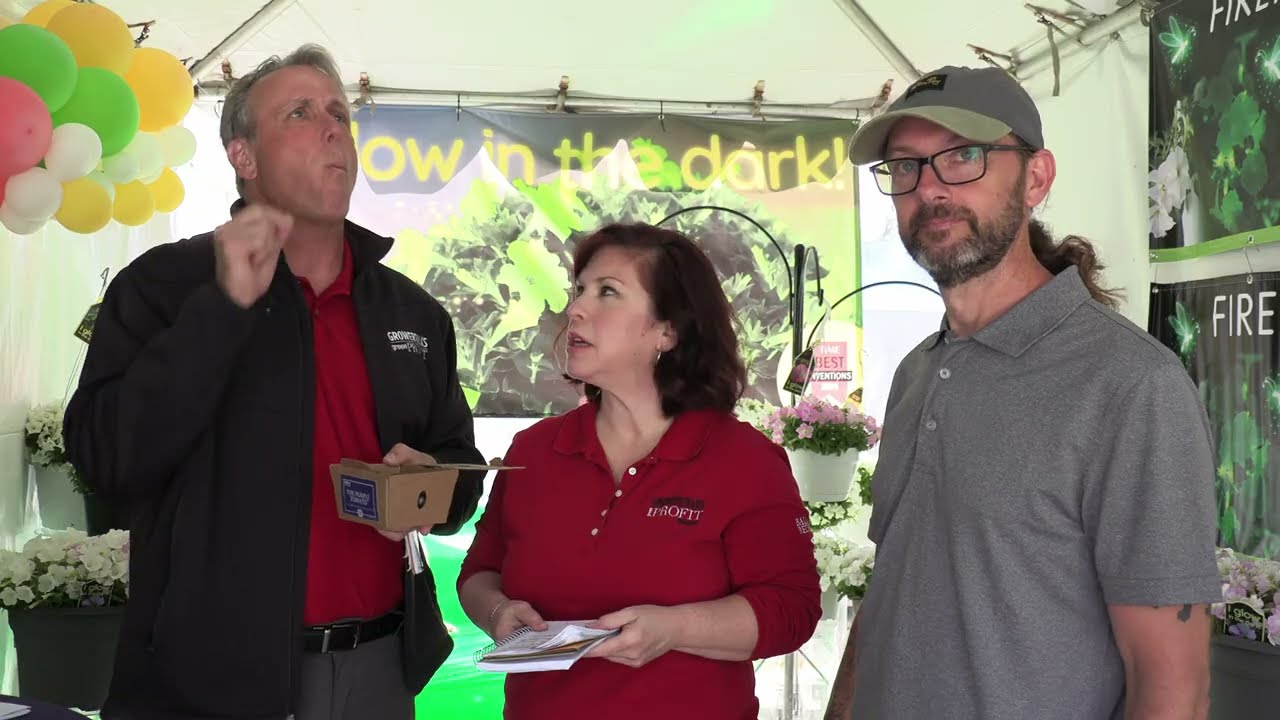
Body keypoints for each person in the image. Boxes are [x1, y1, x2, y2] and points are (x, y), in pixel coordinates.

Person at [63, 44, 485, 720]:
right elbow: (106, 459)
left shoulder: (412, 312)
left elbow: (462, 470)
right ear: (244, 157)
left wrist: (431, 479)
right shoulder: (165, 288)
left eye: (340, 114)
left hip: (377, 670)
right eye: (300, 112)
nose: (332, 128)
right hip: (210, 680)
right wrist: (222, 311)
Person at [823, 66, 1220, 720]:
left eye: (963, 157)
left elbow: (1172, 683)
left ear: (1036, 177)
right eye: (905, 167)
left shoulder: (1129, 385)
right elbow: (890, 595)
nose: (930, 190)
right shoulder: (916, 373)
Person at [457, 223, 822, 720]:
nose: (577, 308)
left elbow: (791, 610)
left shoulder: (745, 462)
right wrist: (499, 613)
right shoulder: (535, 451)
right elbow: (480, 573)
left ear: (668, 330)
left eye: (608, 292)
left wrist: (674, 628)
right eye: (578, 290)